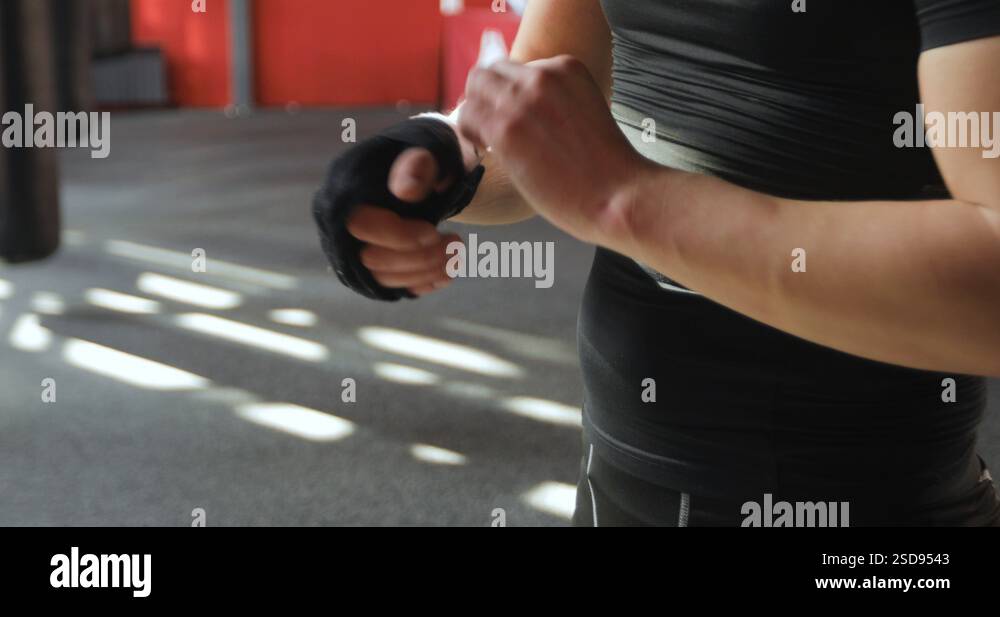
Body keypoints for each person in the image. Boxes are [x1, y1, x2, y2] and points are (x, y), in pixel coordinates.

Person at [315, 0, 1000, 525]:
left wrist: (629, 201)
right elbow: (543, 103)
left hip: (865, 498)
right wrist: (438, 161)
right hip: (620, 468)